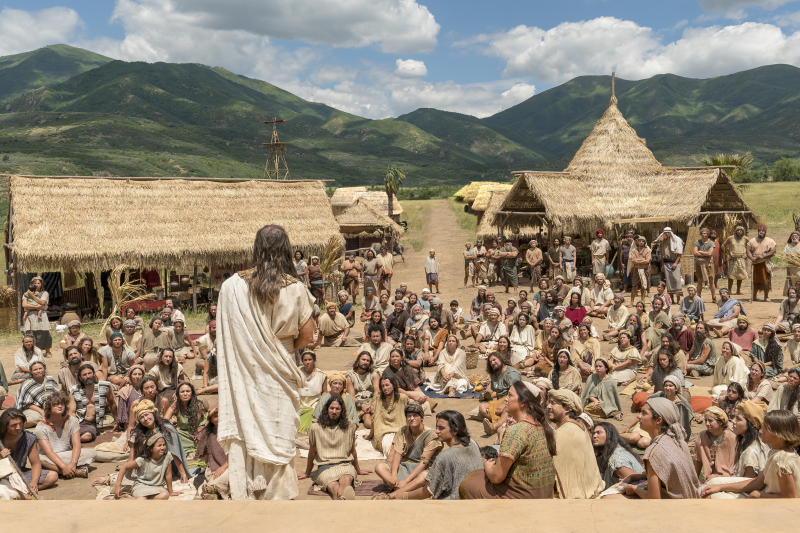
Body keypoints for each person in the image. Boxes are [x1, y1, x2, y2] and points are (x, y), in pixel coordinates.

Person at [215, 225, 316, 500]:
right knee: (278, 427)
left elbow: (225, 334)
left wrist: (259, 350)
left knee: (248, 427)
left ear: (256, 248)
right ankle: (277, 495)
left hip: (245, 370)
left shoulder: (232, 286)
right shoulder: (295, 288)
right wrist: (279, 350)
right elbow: (307, 335)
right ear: (286, 248)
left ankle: (248, 489)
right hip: (281, 368)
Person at [460, 381, 557, 499]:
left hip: (524, 497)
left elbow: (496, 477)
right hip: (544, 493)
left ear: (523, 402)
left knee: (468, 484)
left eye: (510, 395)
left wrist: (488, 467)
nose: (505, 399)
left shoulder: (516, 431)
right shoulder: (542, 427)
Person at [701, 410, 800, 499]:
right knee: (714, 483)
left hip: (772, 504)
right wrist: (720, 487)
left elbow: (789, 499)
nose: (761, 431)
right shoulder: (776, 453)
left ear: (780, 434)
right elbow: (757, 482)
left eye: (766, 428)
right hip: (763, 494)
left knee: (710, 497)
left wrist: (759, 495)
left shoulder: (781, 460)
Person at [386, 410, 483, 500]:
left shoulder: (446, 456)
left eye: (441, 428)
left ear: (455, 430)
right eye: (437, 427)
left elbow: (428, 492)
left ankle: (394, 495)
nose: (436, 431)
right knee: (425, 475)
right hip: (477, 495)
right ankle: (394, 494)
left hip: (456, 501)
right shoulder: (472, 443)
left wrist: (403, 496)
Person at [620, 397, 700, 499]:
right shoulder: (678, 440)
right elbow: (667, 471)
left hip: (675, 508)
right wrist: (634, 476)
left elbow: (653, 498)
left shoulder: (654, 451)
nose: (639, 416)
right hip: (692, 499)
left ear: (658, 420)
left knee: (608, 498)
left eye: (644, 413)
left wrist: (633, 489)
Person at [299, 395, 369, 501]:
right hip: (325, 467)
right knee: (334, 487)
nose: (334, 411)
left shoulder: (350, 426)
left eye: (337, 409)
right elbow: (312, 453)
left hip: (345, 465)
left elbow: (352, 450)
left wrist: (358, 470)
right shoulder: (315, 428)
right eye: (331, 408)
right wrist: (307, 473)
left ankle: (340, 502)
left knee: (346, 479)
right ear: (326, 409)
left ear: (342, 411)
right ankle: (344, 501)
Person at [702, 401, 772, 499]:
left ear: (751, 424)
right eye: (734, 417)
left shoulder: (751, 451)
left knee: (708, 495)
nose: (733, 421)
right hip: (746, 487)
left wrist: (721, 487)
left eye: (738, 419)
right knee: (712, 483)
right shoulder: (747, 442)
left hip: (750, 492)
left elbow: (749, 484)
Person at [545, 389, 604, 499]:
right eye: (549, 402)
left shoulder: (562, 433)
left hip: (572, 499)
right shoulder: (579, 427)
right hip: (590, 493)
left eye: (553, 403)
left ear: (567, 408)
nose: (548, 406)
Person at [374, 402, 442, 496]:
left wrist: (405, 481)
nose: (412, 418)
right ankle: (403, 488)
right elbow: (397, 454)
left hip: (422, 468)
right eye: (409, 416)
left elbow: (424, 462)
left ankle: (399, 489)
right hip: (405, 466)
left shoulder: (431, 435)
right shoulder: (403, 430)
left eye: (415, 416)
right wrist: (393, 475)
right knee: (379, 467)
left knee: (425, 477)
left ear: (421, 417)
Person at [34, 391, 96, 480]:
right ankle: (73, 472)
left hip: (67, 454)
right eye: (56, 404)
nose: (60, 406)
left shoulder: (72, 420)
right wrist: (63, 466)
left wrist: (73, 463)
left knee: (92, 452)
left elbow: (76, 444)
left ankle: (67, 470)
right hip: (49, 457)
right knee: (39, 459)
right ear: (49, 407)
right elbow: (49, 452)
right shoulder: (41, 427)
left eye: (62, 404)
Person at [128, 399, 191, 485]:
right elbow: (132, 456)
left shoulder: (167, 429)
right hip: (146, 466)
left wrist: (183, 473)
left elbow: (174, 452)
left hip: (165, 466)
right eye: (141, 417)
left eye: (147, 414)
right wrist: (128, 469)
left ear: (153, 413)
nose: (145, 419)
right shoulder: (138, 434)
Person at [622, 375, 692, 449]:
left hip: (663, 430)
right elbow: (644, 412)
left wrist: (683, 441)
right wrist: (628, 427)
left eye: (670, 386)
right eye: (666, 386)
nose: (668, 388)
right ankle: (613, 435)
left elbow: (685, 424)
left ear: (676, 387)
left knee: (643, 443)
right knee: (633, 437)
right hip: (649, 423)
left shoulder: (681, 404)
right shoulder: (659, 395)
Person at [0, 409, 57, 498]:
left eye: (20, 423)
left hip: (20, 473)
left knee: (52, 476)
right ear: (5, 426)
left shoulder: (29, 438)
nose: (18, 427)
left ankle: (17, 492)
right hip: (2, 477)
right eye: (13, 425)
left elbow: (36, 464)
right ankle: (22, 494)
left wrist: (34, 482)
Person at [115, 432, 177, 500]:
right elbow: (124, 467)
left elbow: (168, 474)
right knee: (142, 499)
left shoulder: (167, 456)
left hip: (156, 487)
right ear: (151, 449)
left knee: (165, 495)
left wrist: (171, 491)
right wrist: (118, 486)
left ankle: (134, 499)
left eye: (164, 445)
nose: (162, 447)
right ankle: (138, 499)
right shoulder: (142, 460)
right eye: (159, 445)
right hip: (141, 486)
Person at [591, 422, 643, 495]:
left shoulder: (618, 461)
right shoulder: (609, 453)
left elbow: (636, 486)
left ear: (610, 435)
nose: (594, 436)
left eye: (599, 433)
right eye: (594, 433)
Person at [68, 364, 115, 443]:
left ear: (94, 374)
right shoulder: (74, 390)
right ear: (80, 377)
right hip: (79, 421)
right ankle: (68, 440)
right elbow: (71, 412)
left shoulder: (105, 386)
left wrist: (117, 421)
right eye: (84, 374)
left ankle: (70, 441)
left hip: (93, 423)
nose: (88, 376)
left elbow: (112, 402)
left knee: (87, 436)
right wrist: (74, 427)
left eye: (89, 373)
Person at [479, 352, 522, 436]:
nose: (493, 363)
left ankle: (494, 427)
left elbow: (515, 392)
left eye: (494, 360)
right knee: (482, 408)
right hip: (500, 401)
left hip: (513, 400)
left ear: (501, 359)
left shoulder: (511, 373)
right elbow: (494, 389)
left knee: (507, 408)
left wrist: (503, 404)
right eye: (490, 362)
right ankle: (505, 419)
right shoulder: (495, 374)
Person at [365, 374, 409, 454]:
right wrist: (370, 435)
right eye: (383, 386)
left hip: (400, 432)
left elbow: (409, 417)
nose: (385, 388)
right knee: (392, 447)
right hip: (383, 434)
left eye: (387, 385)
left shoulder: (403, 398)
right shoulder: (378, 399)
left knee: (402, 445)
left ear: (394, 386)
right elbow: (374, 419)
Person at [163, 382, 206, 456]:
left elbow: (194, 424)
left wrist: (194, 433)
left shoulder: (198, 405)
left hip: (195, 431)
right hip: (183, 434)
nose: (185, 394)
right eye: (182, 392)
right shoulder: (176, 404)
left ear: (192, 393)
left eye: (188, 391)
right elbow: (165, 419)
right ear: (178, 394)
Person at [197, 404, 230, 500]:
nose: (219, 418)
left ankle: (209, 490)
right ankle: (210, 493)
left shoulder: (232, 432)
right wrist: (216, 469)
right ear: (211, 420)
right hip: (216, 467)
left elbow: (235, 455)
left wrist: (223, 468)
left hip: (231, 465)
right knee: (214, 477)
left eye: (220, 415)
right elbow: (211, 456)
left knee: (227, 475)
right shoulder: (209, 434)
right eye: (215, 416)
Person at [694, 406, 737, 481]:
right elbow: (698, 460)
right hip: (709, 477)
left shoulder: (731, 437)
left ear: (720, 422)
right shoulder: (702, 436)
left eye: (710, 421)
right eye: (706, 420)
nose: (707, 424)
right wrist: (694, 480)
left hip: (728, 477)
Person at [15, 361, 59, 427]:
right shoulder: (28, 383)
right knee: (34, 418)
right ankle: (14, 426)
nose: (38, 371)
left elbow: (57, 395)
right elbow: (29, 404)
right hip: (33, 409)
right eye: (35, 370)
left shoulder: (50, 379)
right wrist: (42, 412)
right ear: (31, 371)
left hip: (51, 407)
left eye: (40, 368)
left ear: (44, 369)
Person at [22, 276, 52, 358]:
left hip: (41, 315)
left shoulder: (44, 293)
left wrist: (32, 297)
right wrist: (37, 307)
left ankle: (47, 351)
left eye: (38, 283)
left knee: (45, 333)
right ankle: (31, 352)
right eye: (35, 283)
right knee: (30, 334)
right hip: (30, 315)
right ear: (32, 284)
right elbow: (24, 305)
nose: (37, 284)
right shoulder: (26, 294)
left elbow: (42, 302)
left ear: (41, 284)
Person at [346, 352, 377, 428]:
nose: (365, 362)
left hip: (372, 402)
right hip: (357, 403)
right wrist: (362, 405)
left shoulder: (374, 374)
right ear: (358, 360)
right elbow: (351, 396)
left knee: (369, 419)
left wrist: (371, 404)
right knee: (366, 418)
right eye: (363, 359)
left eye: (367, 360)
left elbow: (377, 391)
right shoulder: (350, 376)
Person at [747, 224, 777, 302]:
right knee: (755, 279)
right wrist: (752, 258)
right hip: (755, 262)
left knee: (766, 279)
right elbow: (748, 250)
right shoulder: (752, 240)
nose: (761, 232)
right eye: (760, 230)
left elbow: (773, 252)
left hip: (765, 262)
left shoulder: (770, 241)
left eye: (763, 231)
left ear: (765, 232)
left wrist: (764, 256)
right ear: (758, 231)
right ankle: (753, 296)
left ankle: (766, 296)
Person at [116, 365, 146, 431]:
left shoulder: (147, 388)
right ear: (130, 376)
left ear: (143, 376)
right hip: (132, 424)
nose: (137, 376)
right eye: (134, 374)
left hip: (147, 421)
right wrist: (127, 430)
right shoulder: (125, 391)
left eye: (139, 374)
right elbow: (124, 412)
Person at [722, 226, 749, 295]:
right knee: (730, 275)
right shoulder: (731, 238)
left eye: (741, 230)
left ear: (743, 232)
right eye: (738, 230)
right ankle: (729, 290)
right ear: (736, 231)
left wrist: (747, 254)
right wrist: (727, 254)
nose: (739, 231)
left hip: (741, 259)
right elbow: (723, 246)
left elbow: (751, 246)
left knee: (740, 275)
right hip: (732, 259)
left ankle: (738, 291)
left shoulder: (745, 239)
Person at [693, 228, 717, 301]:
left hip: (709, 263)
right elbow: (695, 253)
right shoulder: (697, 242)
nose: (703, 235)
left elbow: (710, 254)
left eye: (705, 233)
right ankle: (698, 297)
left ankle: (714, 297)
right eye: (702, 233)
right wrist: (705, 253)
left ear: (708, 234)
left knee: (711, 280)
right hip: (699, 263)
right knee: (700, 280)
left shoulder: (711, 243)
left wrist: (700, 252)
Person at [629, 235, 652, 303]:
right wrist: (643, 261)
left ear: (644, 242)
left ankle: (642, 301)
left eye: (642, 241)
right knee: (634, 286)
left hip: (645, 269)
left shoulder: (647, 250)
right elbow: (633, 260)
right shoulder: (634, 250)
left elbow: (647, 261)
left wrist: (638, 261)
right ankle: (631, 302)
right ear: (637, 242)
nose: (641, 242)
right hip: (636, 269)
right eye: (639, 241)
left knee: (643, 286)